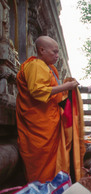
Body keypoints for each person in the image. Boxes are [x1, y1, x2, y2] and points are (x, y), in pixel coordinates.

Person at [16, 36, 82, 183]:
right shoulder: (35, 65)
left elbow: (53, 93)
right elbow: (37, 91)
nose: (57, 56)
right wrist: (65, 87)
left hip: (51, 122)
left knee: (54, 163)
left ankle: (52, 193)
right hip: (39, 125)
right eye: (54, 52)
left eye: (58, 52)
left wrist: (67, 92)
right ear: (42, 50)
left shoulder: (50, 68)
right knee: (42, 165)